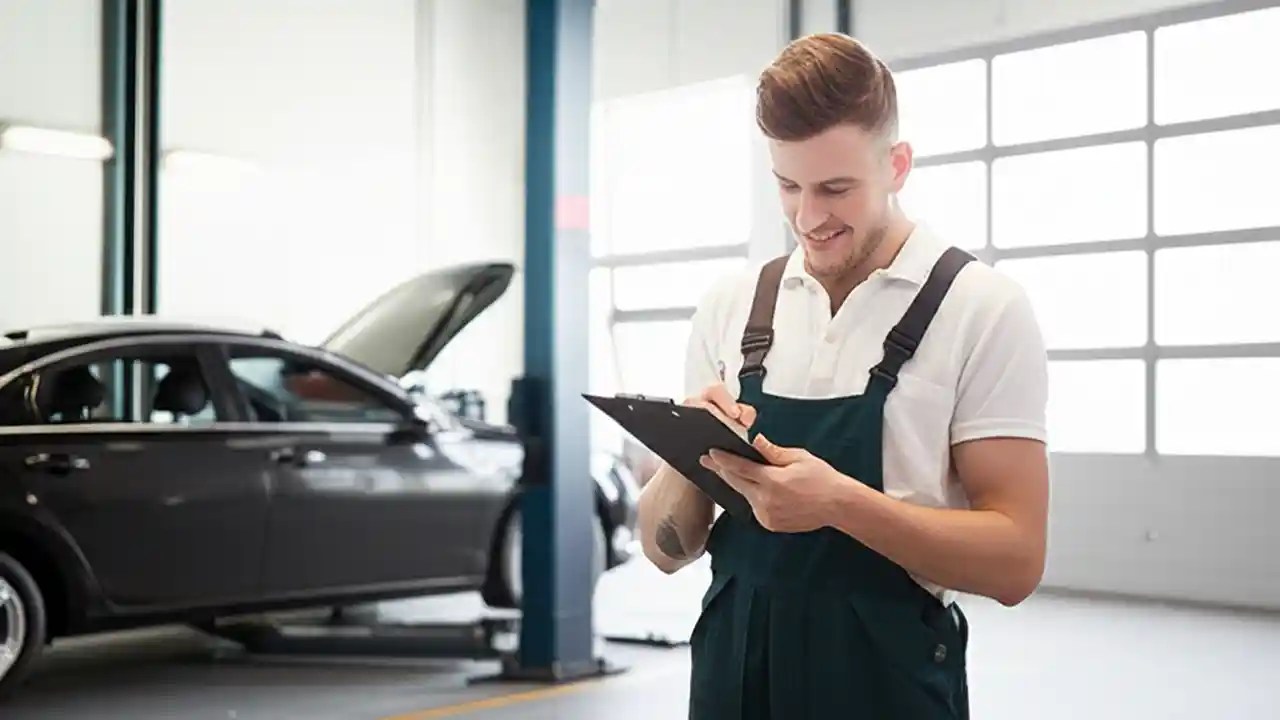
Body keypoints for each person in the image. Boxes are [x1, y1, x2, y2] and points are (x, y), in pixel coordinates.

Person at [635, 33, 1050, 719]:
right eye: (787, 185)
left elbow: (1016, 562)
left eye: (835, 188)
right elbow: (663, 550)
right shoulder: (731, 308)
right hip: (732, 680)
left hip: (885, 685)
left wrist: (838, 504)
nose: (808, 217)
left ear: (898, 165)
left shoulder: (981, 309)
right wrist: (692, 449)